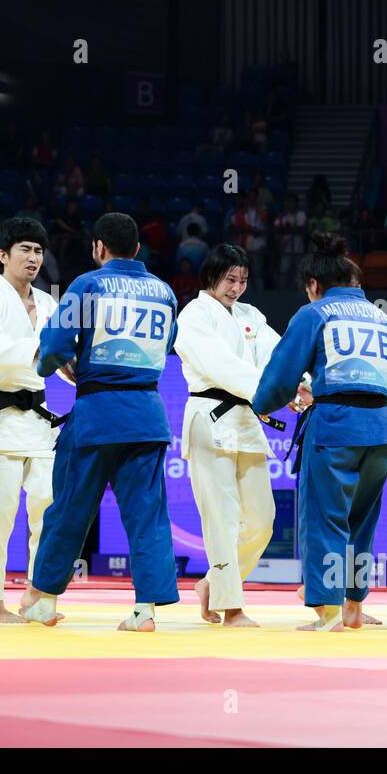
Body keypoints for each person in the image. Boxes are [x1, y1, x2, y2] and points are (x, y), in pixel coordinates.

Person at [19, 213, 180, 631]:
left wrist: (55, 364)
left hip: (97, 415)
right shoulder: (164, 292)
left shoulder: (88, 284)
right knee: (147, 515)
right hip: (146, 414)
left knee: (70, 509)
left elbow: (53, 345)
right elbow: (168, 342)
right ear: (138, 249)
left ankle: (45, 602)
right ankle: (146, 610)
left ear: (98, 248)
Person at [254, 233, 387, 631]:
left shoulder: (315, 313)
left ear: (314, 285)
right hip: (379, 427)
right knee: (361, 521)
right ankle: (353, 608)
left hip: (335, 424)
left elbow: (282, 374)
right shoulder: (381, 317)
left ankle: (330, 612)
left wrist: (260, 405)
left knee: (325, 518)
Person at [0, 218, 67, 623]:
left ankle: (38, 595)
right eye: (25, 249)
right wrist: (49, 353)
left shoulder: (51, 303)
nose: (33, 258)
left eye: (39, 251)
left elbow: (59, 353)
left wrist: (68, 364)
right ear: (3, 255)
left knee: (49, 508)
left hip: (38, 419)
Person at [174, 244, 283, 627]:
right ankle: (231, 607)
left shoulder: (250, 315)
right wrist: (271, 391)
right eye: (229, 279)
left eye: (242, 281)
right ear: (211, 277)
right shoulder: (194, 315)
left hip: (247, 421)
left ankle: (211, 584)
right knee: (221, 518)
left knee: (262, 519)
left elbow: (278, 355)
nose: (236, 288)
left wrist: (298, 384)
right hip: (209, 418)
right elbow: (220, 366)